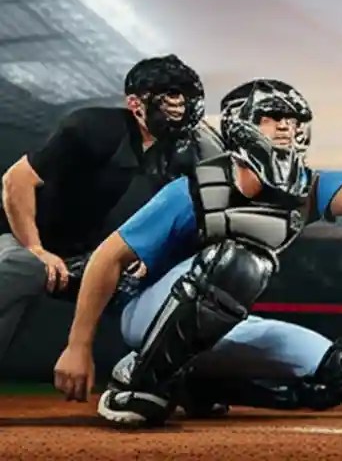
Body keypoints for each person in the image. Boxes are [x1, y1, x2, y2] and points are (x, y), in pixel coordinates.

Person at [51, 78, 342, 427]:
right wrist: (78, 345)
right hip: (148, 313)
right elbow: (108, 257)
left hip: (222, 320)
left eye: (293, 119)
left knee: (340, 370)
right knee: (239, 261)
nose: (287, 127)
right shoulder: (195, 190)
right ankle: (139, 382)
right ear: (241, 122)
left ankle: (191, 384)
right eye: (273, 116)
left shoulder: (305, 188)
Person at [0, 54, 206, 365]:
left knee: (164, 292)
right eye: (172, 95)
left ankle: (162, 381)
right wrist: (36, 248)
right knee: (22, 267)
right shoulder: (93, 127)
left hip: (80, 252)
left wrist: (149, 257)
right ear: (135, 104)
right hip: (20, 234)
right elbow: (16, 180)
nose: (181, 105)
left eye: (186, 95)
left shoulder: (177, 152)